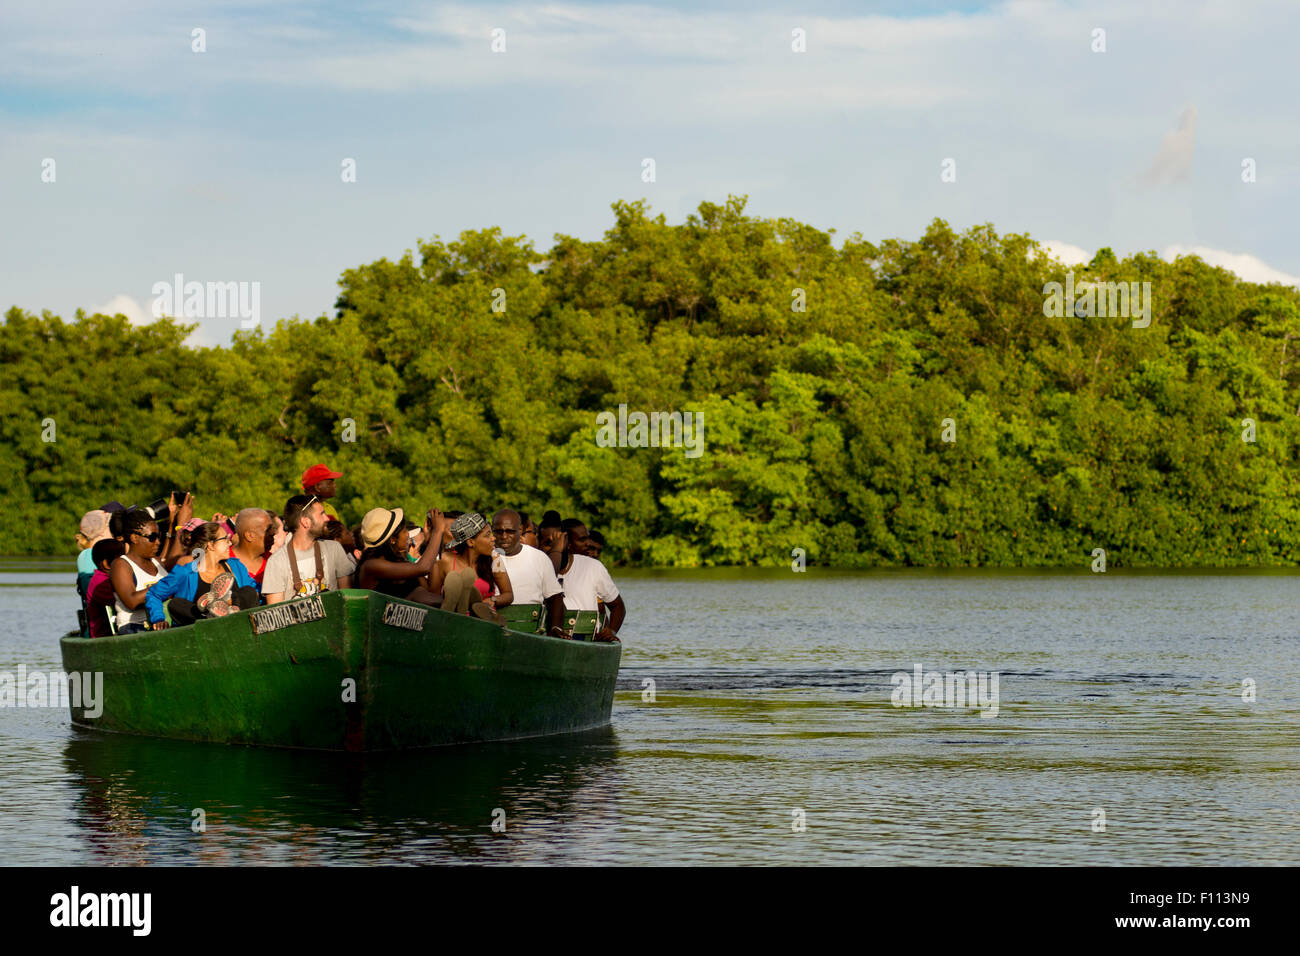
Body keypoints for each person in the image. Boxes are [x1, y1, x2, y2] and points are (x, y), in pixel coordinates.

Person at [146, 523, 260, 628]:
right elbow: (154, 594)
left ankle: (226, 604)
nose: (230, 543)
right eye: (225, 539)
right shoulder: (185, 572)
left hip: (238, 625)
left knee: (248, 591)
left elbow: (253, 593)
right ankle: (209, 611)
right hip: (204, 629)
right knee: (176, 604)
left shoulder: (235, 566)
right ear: (211, 545)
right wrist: (158, 619)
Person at [261, 495, 355, 603]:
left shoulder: (334, 549)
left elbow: (347, 600)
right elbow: (275, 611)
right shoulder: (276, 562)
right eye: (321, 514)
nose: (327, 518)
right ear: (305, 522)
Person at [539, 526, 624, 642]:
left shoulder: (593, 566)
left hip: (585, 638)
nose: (587, 545)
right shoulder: (536, 565)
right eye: (549, 543)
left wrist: (611, 631)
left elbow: (617, 606)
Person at [355, 507, 447, 604]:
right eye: (404, 531)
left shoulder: (396, 559)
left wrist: (429, 539)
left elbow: (428, 589)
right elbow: (423, 568)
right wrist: (438, 531)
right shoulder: (372, 565)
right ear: (392, 540)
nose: (407, 534)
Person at [491, 509, 564, 632]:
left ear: (520, 530)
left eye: (510, 531)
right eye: (499, 532)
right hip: (495, 627)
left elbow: (555, 597)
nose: (504, 536)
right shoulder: (488, 556)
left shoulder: (538, 557)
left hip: (531, 630)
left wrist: (556, 628)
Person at [437, 513, 510, 620]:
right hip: (452, 621)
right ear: (471, 542)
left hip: (482, 620)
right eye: (487, 535)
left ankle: (469, 602)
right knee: (455, 584)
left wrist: (492, 600)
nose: (493, 538)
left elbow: (508, 594)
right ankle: (458, 605)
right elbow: (433, 597)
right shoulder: (445, 560)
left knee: (474, 600)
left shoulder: (495, 560)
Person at [110, 510, 169, 634]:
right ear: (134, 538)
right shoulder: (121, 565)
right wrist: (167, 586)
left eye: (159, 536)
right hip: (134, 627)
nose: (158, 542)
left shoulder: (157, 561)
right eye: (152, 537)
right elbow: (132, 601)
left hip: (163, 624)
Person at [86, 539, 126, 637]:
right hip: (103, 636)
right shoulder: (101, 583)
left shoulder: (109, 578)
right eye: (122, 559)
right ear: (106, 564)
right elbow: (127, 599)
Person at [229, 508, 273, 587]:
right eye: (268, 530)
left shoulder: (273, 561)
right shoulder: (224, 561)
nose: (273, 533)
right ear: (249, 535)